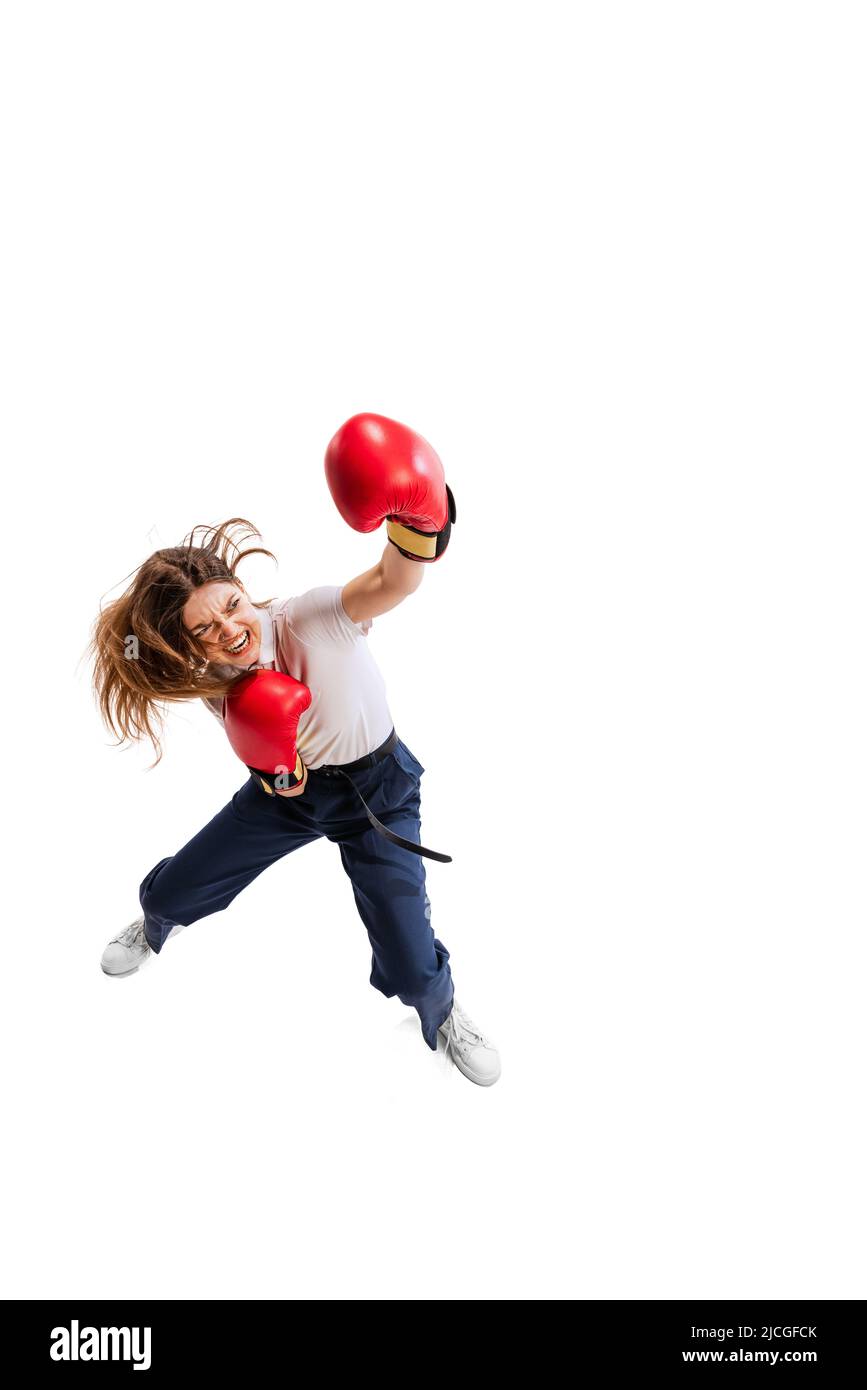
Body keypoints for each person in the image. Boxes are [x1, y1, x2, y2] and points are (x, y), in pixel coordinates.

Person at [88, 416, 501, 1087]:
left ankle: (442, 1013)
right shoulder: (210, 675)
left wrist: (420, 518)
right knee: (180, 883)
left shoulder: (309, 617)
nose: (228, 630)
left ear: (244, 592)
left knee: (406, 953)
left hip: (378, 790)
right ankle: (154, 925)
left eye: (230, 607)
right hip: (288, 797)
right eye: (205, 628)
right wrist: (274, 773)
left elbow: (390, 583)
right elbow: (188, 689)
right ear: (189, 644)